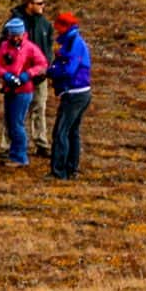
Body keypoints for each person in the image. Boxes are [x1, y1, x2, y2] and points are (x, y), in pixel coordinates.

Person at [0, 18, 49, 167]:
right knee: (12, 123)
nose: (16, 38)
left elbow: (42, 64)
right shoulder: (5, 46)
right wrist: (6, 75)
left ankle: (20, 157)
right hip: (9, 89)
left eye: (18, 34)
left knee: (17, 123)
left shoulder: (30, 48)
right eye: (13, 35)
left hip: (24, 91)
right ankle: (14, 153)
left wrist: (27, 74)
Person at [7, 0, 56, 155]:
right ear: (29, 5)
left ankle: (41, 143)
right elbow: (5, 48)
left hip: (39, 75)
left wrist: (45, 68)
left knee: (39, 108)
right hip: (18, 76)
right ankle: (9, 144)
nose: (43, 6)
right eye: (39, 3)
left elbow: (49, 50)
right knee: (14, 111)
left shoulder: (45, 25)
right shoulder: (15, 23)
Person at [45, 11, 92, 180]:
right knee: (72, 131)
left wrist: (52, 71)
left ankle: (59, 172)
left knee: (61, 132)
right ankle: (72, 169)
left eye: (59, 28)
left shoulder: (74, 43)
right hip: (82, 93)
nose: (57, 32)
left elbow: (70, 69)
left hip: (74, 94)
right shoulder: (74, 42)